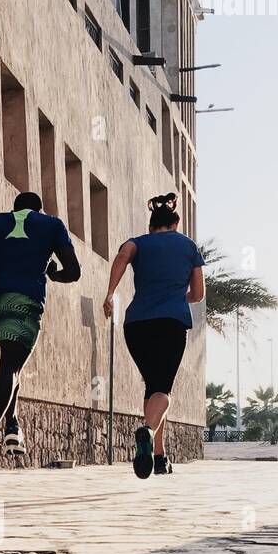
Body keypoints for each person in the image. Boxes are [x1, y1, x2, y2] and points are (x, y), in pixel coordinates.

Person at [0, 192, 81, 490]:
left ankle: (11, 424)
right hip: (24, 300)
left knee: (10, 362)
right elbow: (74, 271)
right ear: (38, 209)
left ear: (16, 208)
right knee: (11, 366)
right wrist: (53, 274)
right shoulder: (51, 225)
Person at [103, 194, 205, 479]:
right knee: (163, 391)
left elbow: (123, 256)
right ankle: (147, 432)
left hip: (136, 325)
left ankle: (158, 456)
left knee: (152, 388)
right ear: (175, 223)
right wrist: (175, 296)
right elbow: (197, 295)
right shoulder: (188, 246)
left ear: (151, 226)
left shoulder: (138, 242)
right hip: (170, 323)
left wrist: (110, 293)